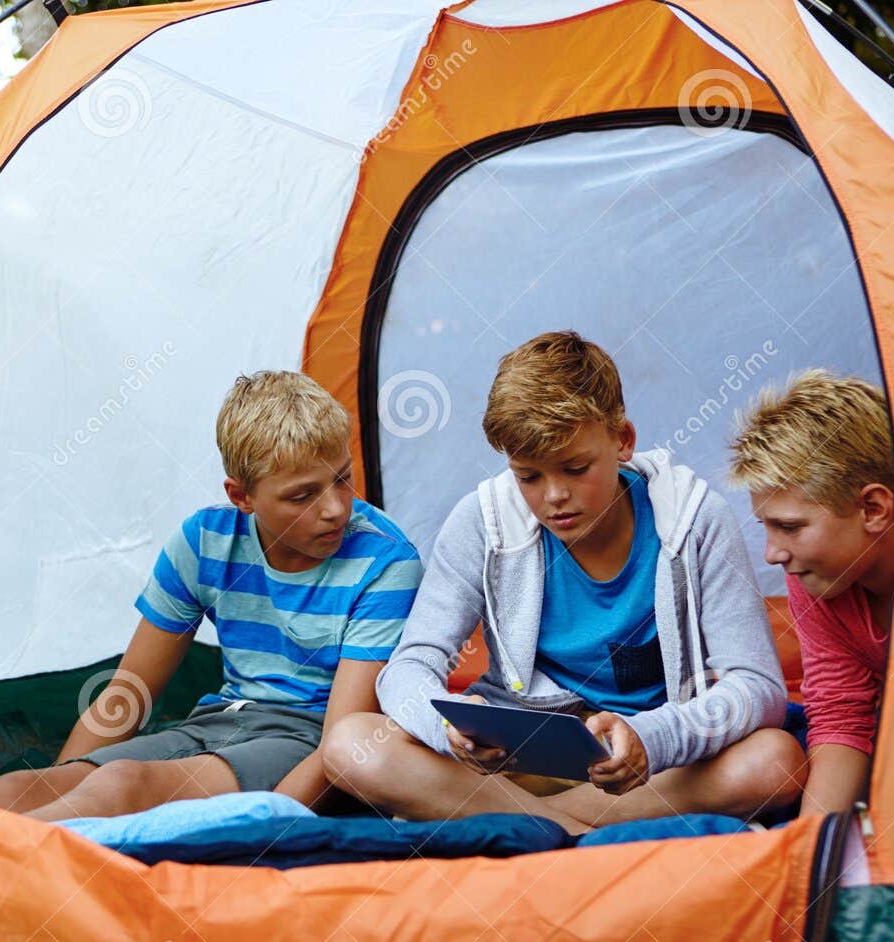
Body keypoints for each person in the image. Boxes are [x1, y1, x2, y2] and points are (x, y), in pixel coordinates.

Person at [323, 331, 804, 831]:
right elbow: (408, 667)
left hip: (650, 767)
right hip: (520, 764)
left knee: (775, 761)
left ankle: (532, 827)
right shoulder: (481, 522)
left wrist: (653, 738)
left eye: (575, 469)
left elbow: (759, 687)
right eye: (528, 476)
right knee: (349, 744)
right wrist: (445, 725)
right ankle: (576, 829)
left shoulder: (695, 519)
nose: (554, 495)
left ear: (623, 440)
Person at [0, 370, 421, 820]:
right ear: (241, 496)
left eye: (342, 478)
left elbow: (339, 745)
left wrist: (269, 827)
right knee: (11, 791)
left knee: (122, 786)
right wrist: (58, 776)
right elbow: (129, 693)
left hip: (306, 742)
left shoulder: (385, 562)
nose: (335, 509)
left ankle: (9, 866)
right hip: (218, 723)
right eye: (302, 496)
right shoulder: (205, 542)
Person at [728, 371, 894, 815]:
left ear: (873, 509)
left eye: (789, 527)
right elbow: (842, 712)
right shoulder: (816, 578)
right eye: (765, 527)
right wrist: (812, 853)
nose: (771, 554)